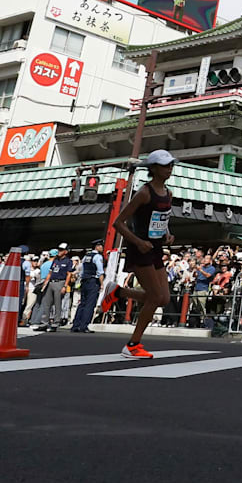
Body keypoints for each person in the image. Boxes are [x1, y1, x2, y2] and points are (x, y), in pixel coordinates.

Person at [100, 150, 178, 358]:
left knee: (163, 298)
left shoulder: (168, 194)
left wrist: (168, 235)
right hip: (140, 247)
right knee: (154, 297)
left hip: (155, 247)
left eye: (171, 165)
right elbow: (118, 222)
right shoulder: (144, 192)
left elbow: (162, 220)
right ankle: (133, 344)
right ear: (152, 168)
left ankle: (118, 292)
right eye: (164, 165)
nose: (169, 169)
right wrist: (138, 242)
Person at [34, 246, 72, 332]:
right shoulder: (55, 260)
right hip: (51, 282)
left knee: (57, 303)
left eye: (61, 250)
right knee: (46, 303)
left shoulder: (68, 261)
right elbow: (50, 272)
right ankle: (44, 322)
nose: (59, 251)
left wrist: (65, 286)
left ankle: (55, 323)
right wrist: (45, 283)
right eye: (59, 249)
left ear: (66, 251)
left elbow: (69, 274)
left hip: (60, 282)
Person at [71, 240, 105, 333]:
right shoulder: (98, 257)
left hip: (84, 281)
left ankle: (75, 325)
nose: (102, 247)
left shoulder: (86, 256)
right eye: (100, 246)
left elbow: (82, 270)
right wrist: (102, 284)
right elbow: (100, 271)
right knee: (90, 304)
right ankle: (84, 326)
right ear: (96, 247)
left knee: (82, 303)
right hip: (93, 281)